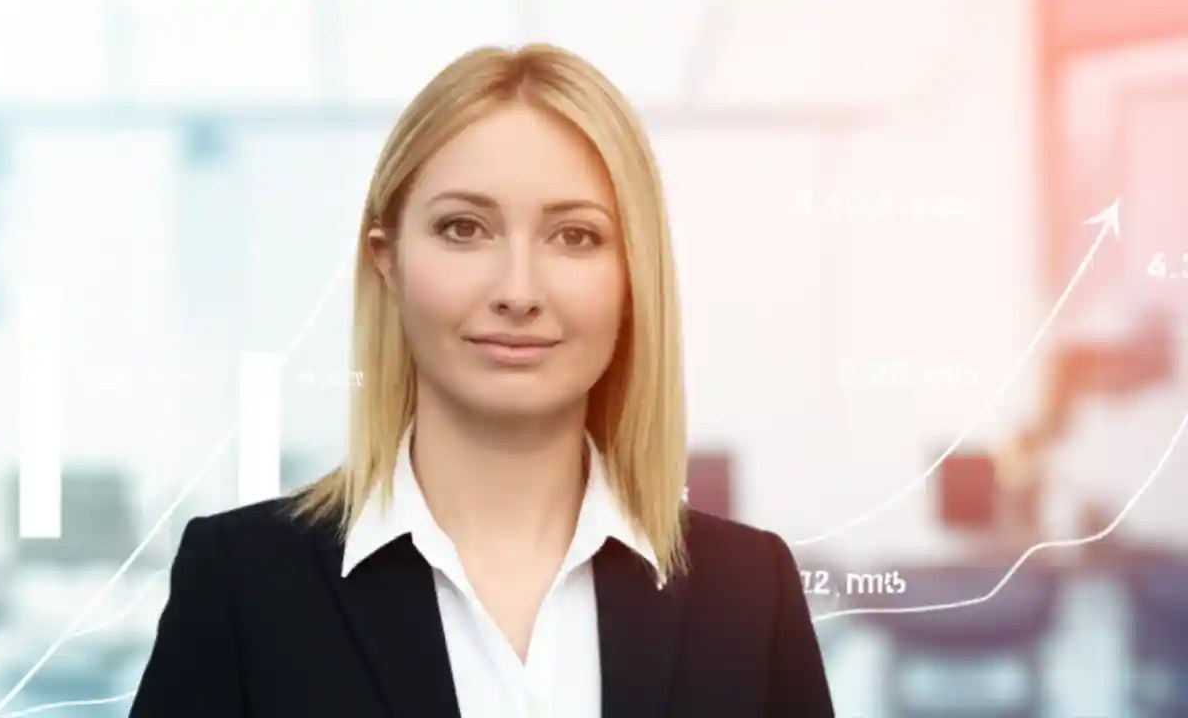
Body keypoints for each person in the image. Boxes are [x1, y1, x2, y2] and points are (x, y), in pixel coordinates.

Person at [130, 42, 834, 718]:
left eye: (575, 236)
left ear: (633, 275)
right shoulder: (243, 582)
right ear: (387, 261)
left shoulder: (749, 591)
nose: (517, 291)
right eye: (464, 229)